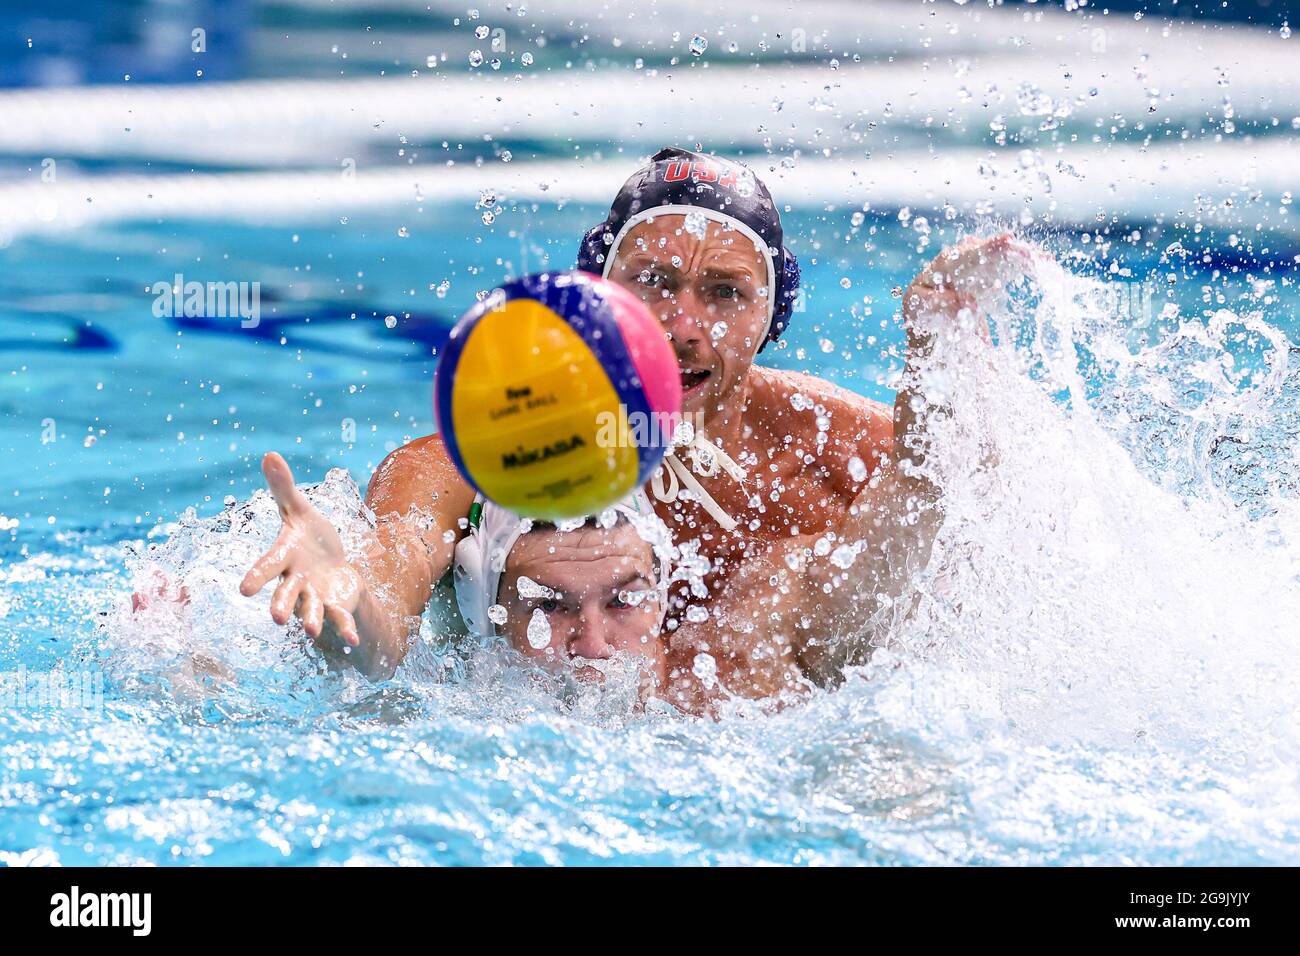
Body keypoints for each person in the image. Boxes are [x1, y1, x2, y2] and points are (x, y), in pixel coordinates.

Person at [239, 146, 1034, 704]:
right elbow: (386, 601)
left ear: (774, 311)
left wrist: (942, 372)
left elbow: (958, 573)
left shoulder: (847, 450)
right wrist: (348, 597)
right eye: (654, 282)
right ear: (598, 287)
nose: (682, 326)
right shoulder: (482, 455)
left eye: (724, 293)